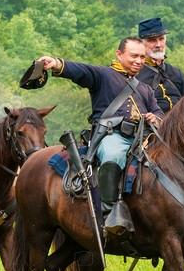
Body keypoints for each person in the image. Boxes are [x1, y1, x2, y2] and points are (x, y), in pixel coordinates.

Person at [35, 37, 163, 236]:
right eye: (134, 56)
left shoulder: (145, 88)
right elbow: (80, 71)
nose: (139, 61)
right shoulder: (103, 75)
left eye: (142, 57)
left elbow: (158, 112)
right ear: (119, 54)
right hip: (112, 136)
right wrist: (57, 64)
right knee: (113, 154)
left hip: (142, 139)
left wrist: (155, 118)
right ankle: (109, 212)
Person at [135, 17, 184, 113]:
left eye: (161, 39)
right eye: (152, 40)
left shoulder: (176, 73)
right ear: (141, 43)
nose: (158, 44)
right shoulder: (135, 74)